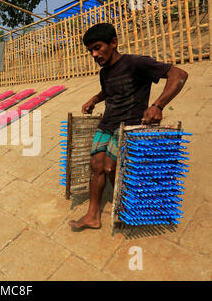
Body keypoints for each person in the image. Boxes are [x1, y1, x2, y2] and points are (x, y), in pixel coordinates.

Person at [69, 23, 188, 230]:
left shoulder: (136, 63)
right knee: (96, 166)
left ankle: (129, 209)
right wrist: (94, 100)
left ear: (113, 43)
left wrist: (158, 105)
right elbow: (108, 90)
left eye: (97, 47)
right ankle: (92, 215)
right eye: (90, 51)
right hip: (107, 124)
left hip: (128, 125)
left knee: (110, 168)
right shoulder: (104, 72)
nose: (94, 54)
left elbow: (179, 75)